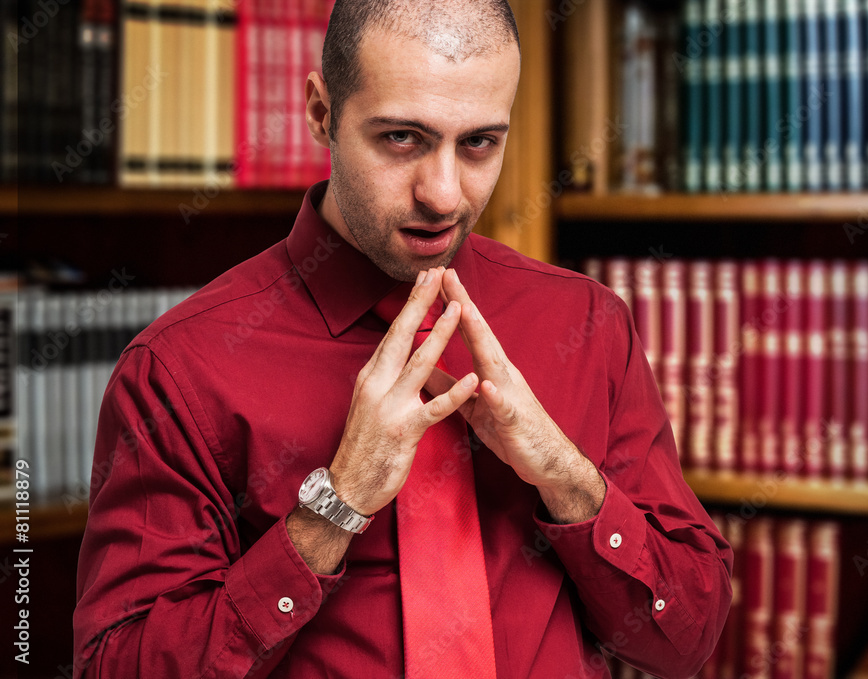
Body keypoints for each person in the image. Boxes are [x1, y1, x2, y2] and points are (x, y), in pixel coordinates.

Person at [73, 1, 732, 677]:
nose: (444, 194)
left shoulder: (586, 324)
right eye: (401, 139)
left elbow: (686, 641)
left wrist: (567, 478)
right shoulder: (179, 370)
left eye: (479, 142)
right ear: (321, 113)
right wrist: (336, 505)